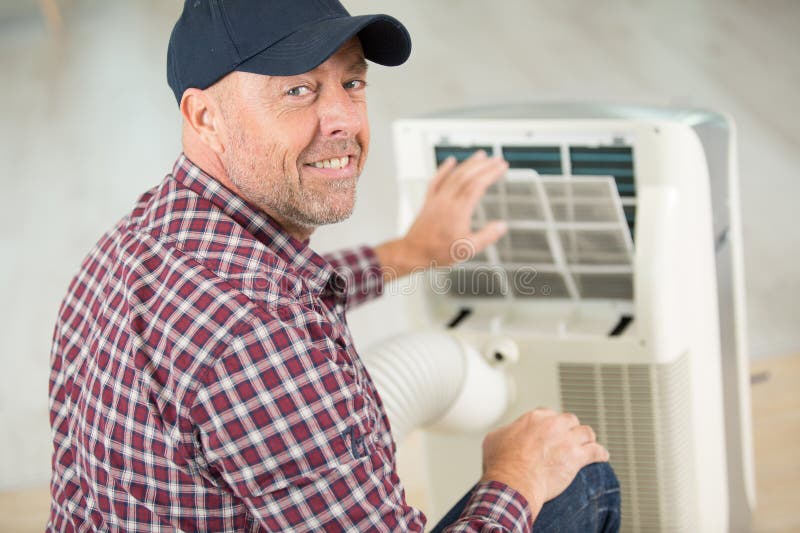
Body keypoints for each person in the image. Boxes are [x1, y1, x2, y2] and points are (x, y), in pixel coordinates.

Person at [48, 1, 620, 531]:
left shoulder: (142, 238)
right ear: (205, 117)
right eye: (298, 90)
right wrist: (516, 475)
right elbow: (263, 325)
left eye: (351, 82)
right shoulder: (260, 340)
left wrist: (413, 251)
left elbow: (276, 286)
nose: (344, 119)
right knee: (583, 481)